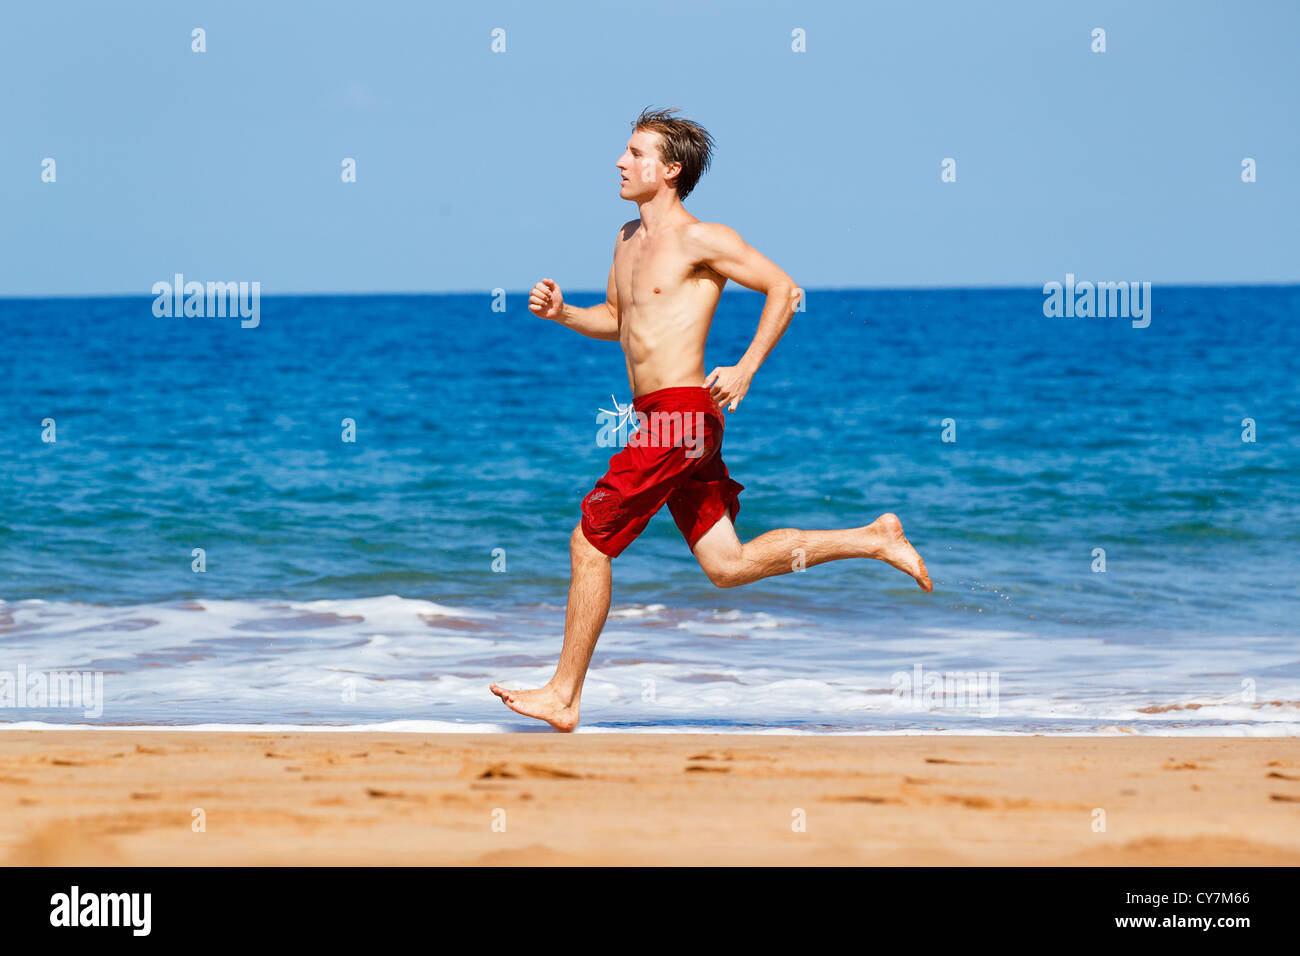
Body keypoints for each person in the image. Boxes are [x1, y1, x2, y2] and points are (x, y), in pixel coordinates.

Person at [491, 107, 931, 731]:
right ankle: (874, 538)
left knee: (590, 540)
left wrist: (747, 367)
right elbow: (618, 319)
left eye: (636, 153)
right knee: (727, 565)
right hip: (658, 418)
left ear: (669, 169)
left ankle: (564, 695)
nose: (621, 161)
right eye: (624, 151)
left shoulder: (703, 239)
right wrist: (563, 313)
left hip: (681, 416)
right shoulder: (624, 238)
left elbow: (784, 289)